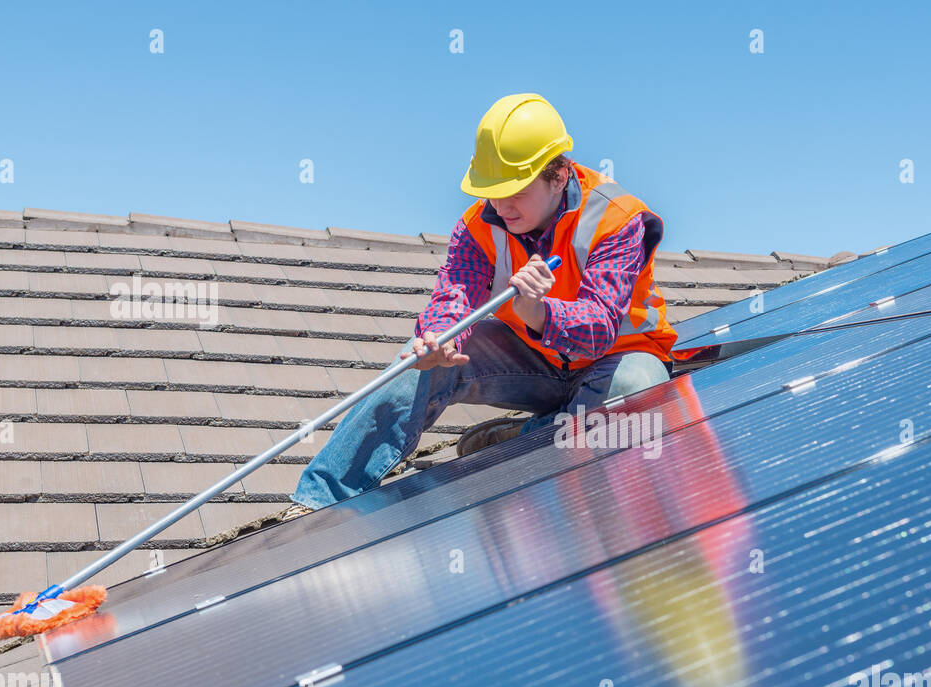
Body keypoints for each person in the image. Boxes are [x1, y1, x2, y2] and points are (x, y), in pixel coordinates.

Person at [274, 92, 682, 521]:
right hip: (533, 362)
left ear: (559, 175)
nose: (502, 207)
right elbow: (455, 296)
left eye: (516, 192)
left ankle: (526, 438)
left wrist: (539, 313)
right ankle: (319, 503)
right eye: (492, 192)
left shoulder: (617, 218)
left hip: (615, 361)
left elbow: (597, 330)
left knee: (641, 392)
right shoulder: (477, 227)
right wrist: (438, 339)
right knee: (417, 362)